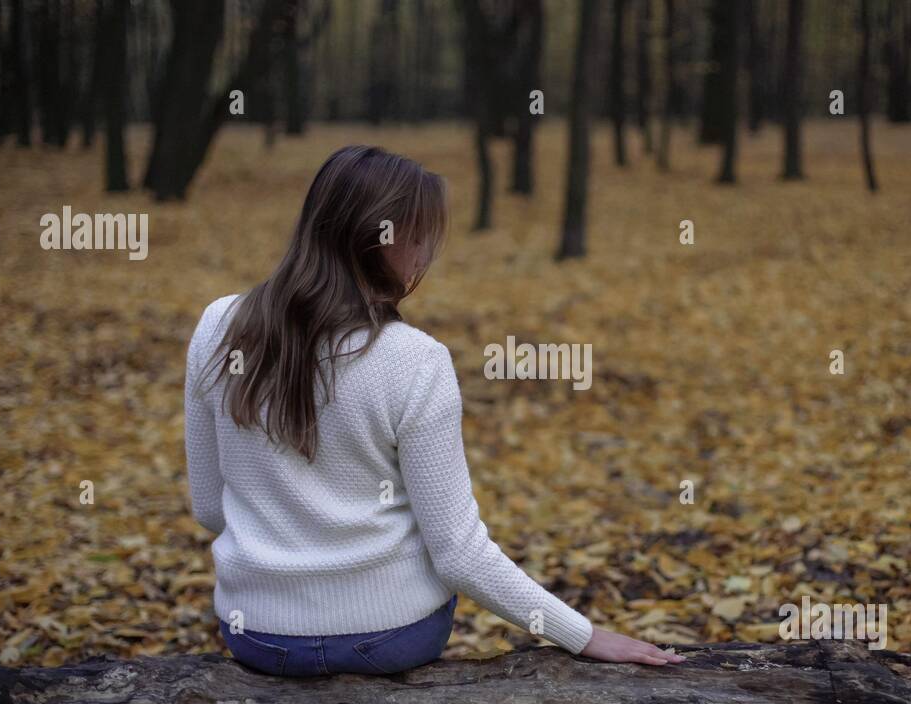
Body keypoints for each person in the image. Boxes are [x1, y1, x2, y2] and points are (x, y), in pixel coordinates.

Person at [184, 145, 684, 676]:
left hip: (258, 636)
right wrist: (584, 636)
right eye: (417, 234)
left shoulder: (219, 327)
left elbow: (211, 509)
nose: (426, 254)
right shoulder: (415, 361)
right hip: (386, 637)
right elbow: (459, 555)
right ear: (374, 237)